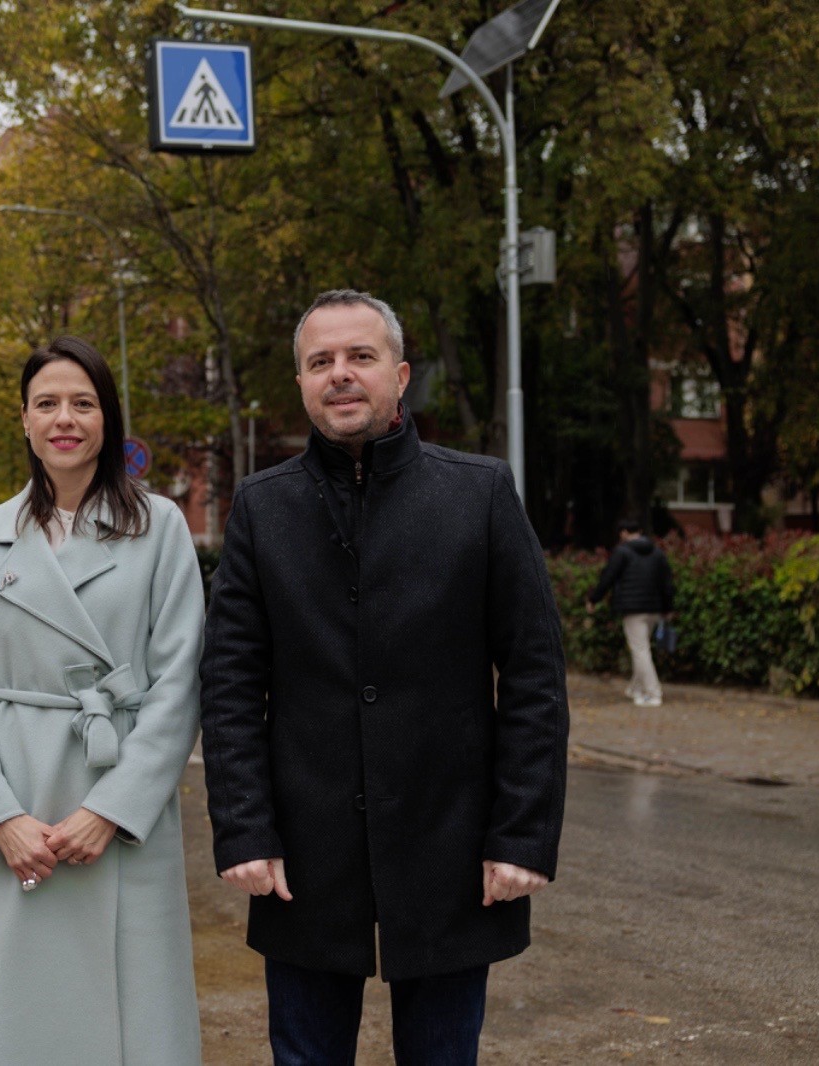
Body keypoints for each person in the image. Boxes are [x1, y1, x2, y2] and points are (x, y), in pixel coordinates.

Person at [201, 289, 569, 1066]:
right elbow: (231, 680)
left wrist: (522, 833)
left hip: (452, 843)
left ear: (400, 375)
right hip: (302, 851)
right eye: (320, 361)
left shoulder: (479, 494)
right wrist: (244, 827)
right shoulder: (263, 510)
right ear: (301, 383)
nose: (340, 375)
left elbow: (534, 673)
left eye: (359, 357)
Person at [0, 335, 205, 1065]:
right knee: (13, 1023)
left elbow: (179, 684)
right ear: (23, 420)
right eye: (47, 403)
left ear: (108, 419)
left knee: (134, 1020)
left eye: (83, 403)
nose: (65, 419)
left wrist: (111, 811)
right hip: (15, 815)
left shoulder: (160, 529)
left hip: (117, 811)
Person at [587, 517, 675, 706]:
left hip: (632, 609)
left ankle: (653, 693)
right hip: (654, 608)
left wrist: (594, 599)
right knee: (642, 648)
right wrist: (668, 608)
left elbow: (607, 577)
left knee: (640, 650)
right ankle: (635, 688)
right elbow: (667, 583)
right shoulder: (657, 553)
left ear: (624, 533)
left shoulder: (622, 552)